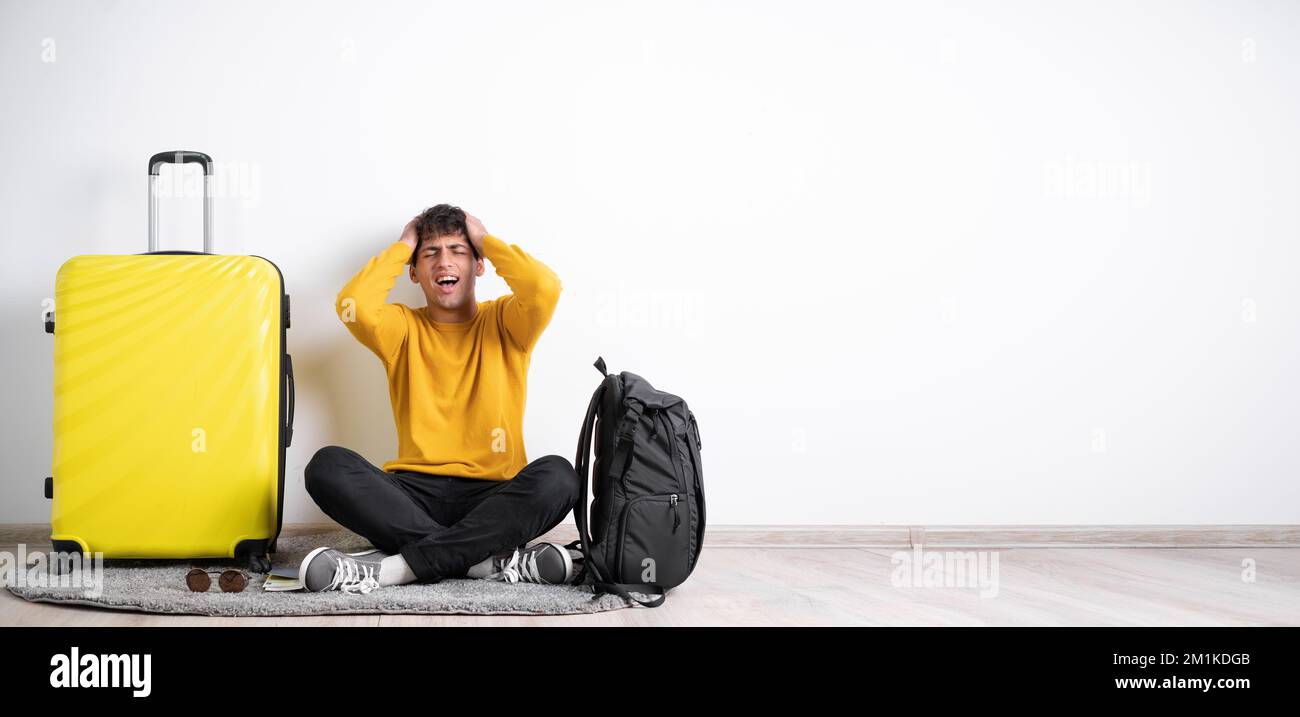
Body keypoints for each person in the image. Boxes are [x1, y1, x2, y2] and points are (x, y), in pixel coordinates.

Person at [299, 204, 580, 593]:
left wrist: (484, 240)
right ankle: (482, 562)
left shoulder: (508, 323)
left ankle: (397, 569)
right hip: (412, 498)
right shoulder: (402, 328)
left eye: (458, 251)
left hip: (492, 495)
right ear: (413, 272)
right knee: (327, 467)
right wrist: (404, 245)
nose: (443, 261)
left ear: (479, 266)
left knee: (559, 476)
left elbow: (544, 287)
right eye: (430, 253)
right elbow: (354, 305)